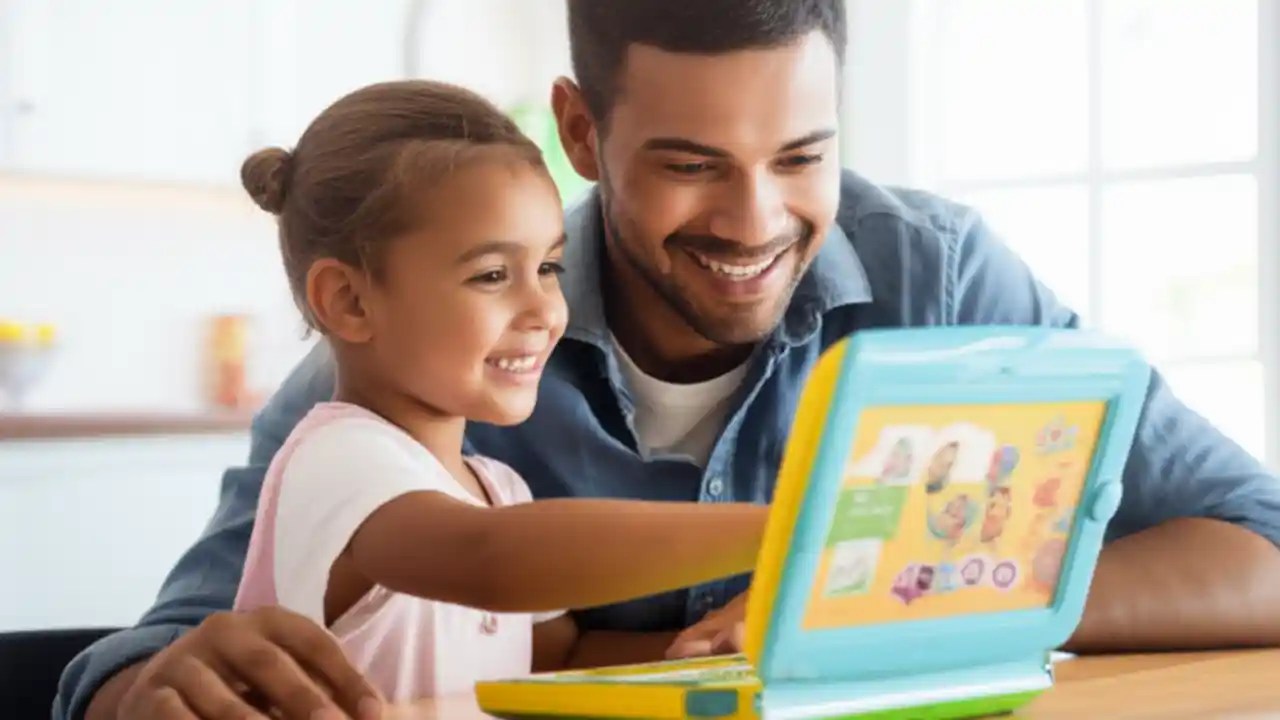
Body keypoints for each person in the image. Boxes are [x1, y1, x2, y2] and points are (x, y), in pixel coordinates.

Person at [60, 1, 1280, 718]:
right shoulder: (391, 380)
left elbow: (1258, 552)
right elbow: (148, 660)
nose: (755, 222)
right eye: (692, 165)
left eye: (802, 156)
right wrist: (152, 685)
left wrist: (871, 602)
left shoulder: (937, 275)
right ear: (583, 131)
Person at [221, 78, 766, 709]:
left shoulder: (496, 490)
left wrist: (707, 651)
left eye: (548, 269)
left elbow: (556, 660)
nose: (544, 309)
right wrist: (786, 526)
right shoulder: (340, 459)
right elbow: (490, 561)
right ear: (348, 300)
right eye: (492, 275)